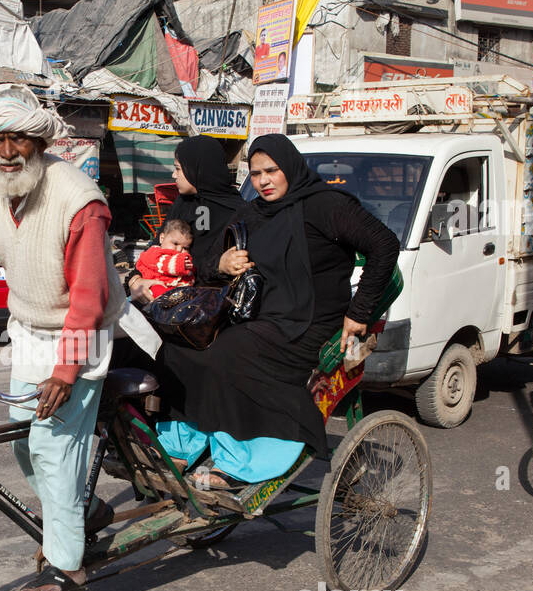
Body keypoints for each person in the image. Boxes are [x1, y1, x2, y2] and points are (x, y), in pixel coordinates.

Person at [0, 83, 145, 591]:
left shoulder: (78, 199)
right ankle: (83, 512)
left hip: (81, 334)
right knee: (23, 441)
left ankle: (68, 566)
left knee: (52, 447)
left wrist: (66, 371)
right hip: (28, 332)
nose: (6, 152)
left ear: (39, 142)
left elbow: (88, 298)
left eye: (18, 139)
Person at [151, 134, 400, 488]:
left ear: (291, 167)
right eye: (255, 174)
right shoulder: (253, 212)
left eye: (272, 170)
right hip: (261, 317)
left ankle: (244, 460)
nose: (263, 181)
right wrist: (222, 262)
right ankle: (184, 444)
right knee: (180, 347)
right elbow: (206, 264)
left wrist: (359, 312)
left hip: (310, 321)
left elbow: (384, 245)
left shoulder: (325, 205)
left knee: (227, 353)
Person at [127, 134, 242, 304]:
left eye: (178, 169)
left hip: (200, 309)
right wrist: (135, 281)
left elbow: (205, 264)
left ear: (197, 170)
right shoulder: (184, 203)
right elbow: (156, 247)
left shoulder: (236, 212)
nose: (174, 175)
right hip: (158, 298)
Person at [133, 219, 194, 300]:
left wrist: (189, 270)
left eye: (185, 248)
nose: (179, 250)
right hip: (154, 285)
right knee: (158, 292)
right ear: (162, 238)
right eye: (175, 243)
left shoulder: (182, 257)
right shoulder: (153, 252)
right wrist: (178, 264)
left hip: (175, 289)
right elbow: (157, 262)